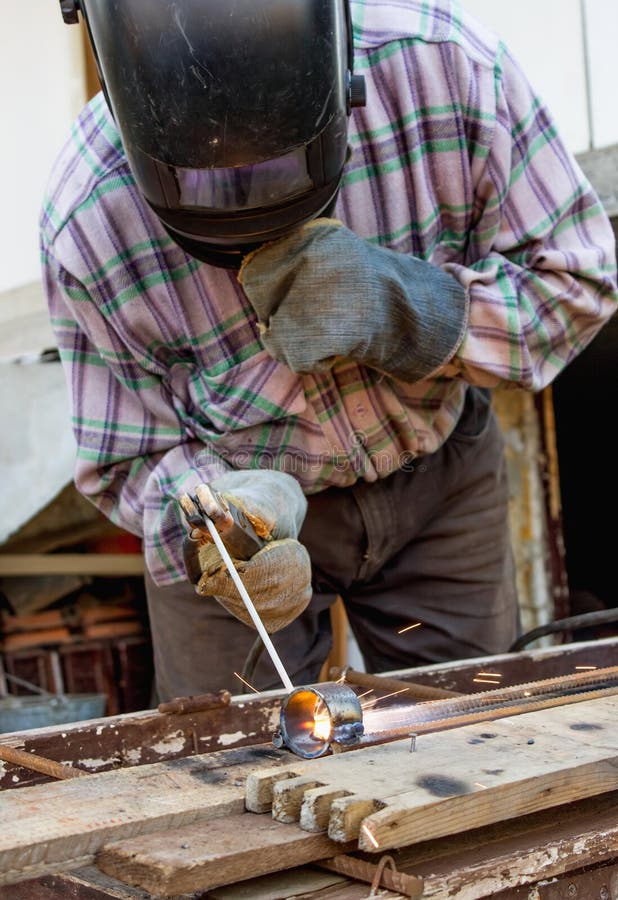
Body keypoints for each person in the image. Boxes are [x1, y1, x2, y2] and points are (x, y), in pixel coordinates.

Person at [42, 0, 617, 702]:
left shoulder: (445, 67)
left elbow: (578, 282)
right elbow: (126, 455)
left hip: (438, 478)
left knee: (476, 729)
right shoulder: (89, 214)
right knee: (236, 764)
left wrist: (408, 308)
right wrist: (217, 521)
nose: (246, 189)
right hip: (247, 528)